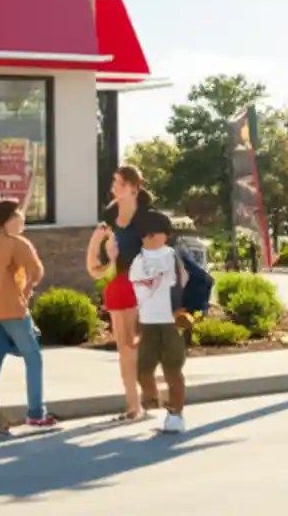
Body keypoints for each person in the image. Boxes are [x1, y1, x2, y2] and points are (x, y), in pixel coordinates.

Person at [0, 199, 56, 435]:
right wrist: (27, 290)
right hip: (14, 311)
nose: (23, 218)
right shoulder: (17, 243)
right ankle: (36, 414)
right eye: (20, 214)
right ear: (9, 220)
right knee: (34, 359)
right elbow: (38, 271)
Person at [86, 165, 153, 421]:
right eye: (113, 181)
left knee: (138, 345)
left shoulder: (146, 218)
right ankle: (133, 406)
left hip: (142, 286)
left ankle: (145, 398)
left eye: (119, 182)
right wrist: (101, 250)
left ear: (134, 187)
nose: (114, 186)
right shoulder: (111, 214)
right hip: (120, 285)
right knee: (125, 349)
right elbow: (95, 262)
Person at [130, 209, 191, 434]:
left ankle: (176, 415)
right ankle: (151, 396)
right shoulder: (139, 260)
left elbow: (185, 279)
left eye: (154, 234)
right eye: (146, 235)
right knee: (143, 369)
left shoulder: (171, 255)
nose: (150, 238)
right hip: (148, 321)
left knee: (172, 369)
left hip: (170, 321)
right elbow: (137, 288)